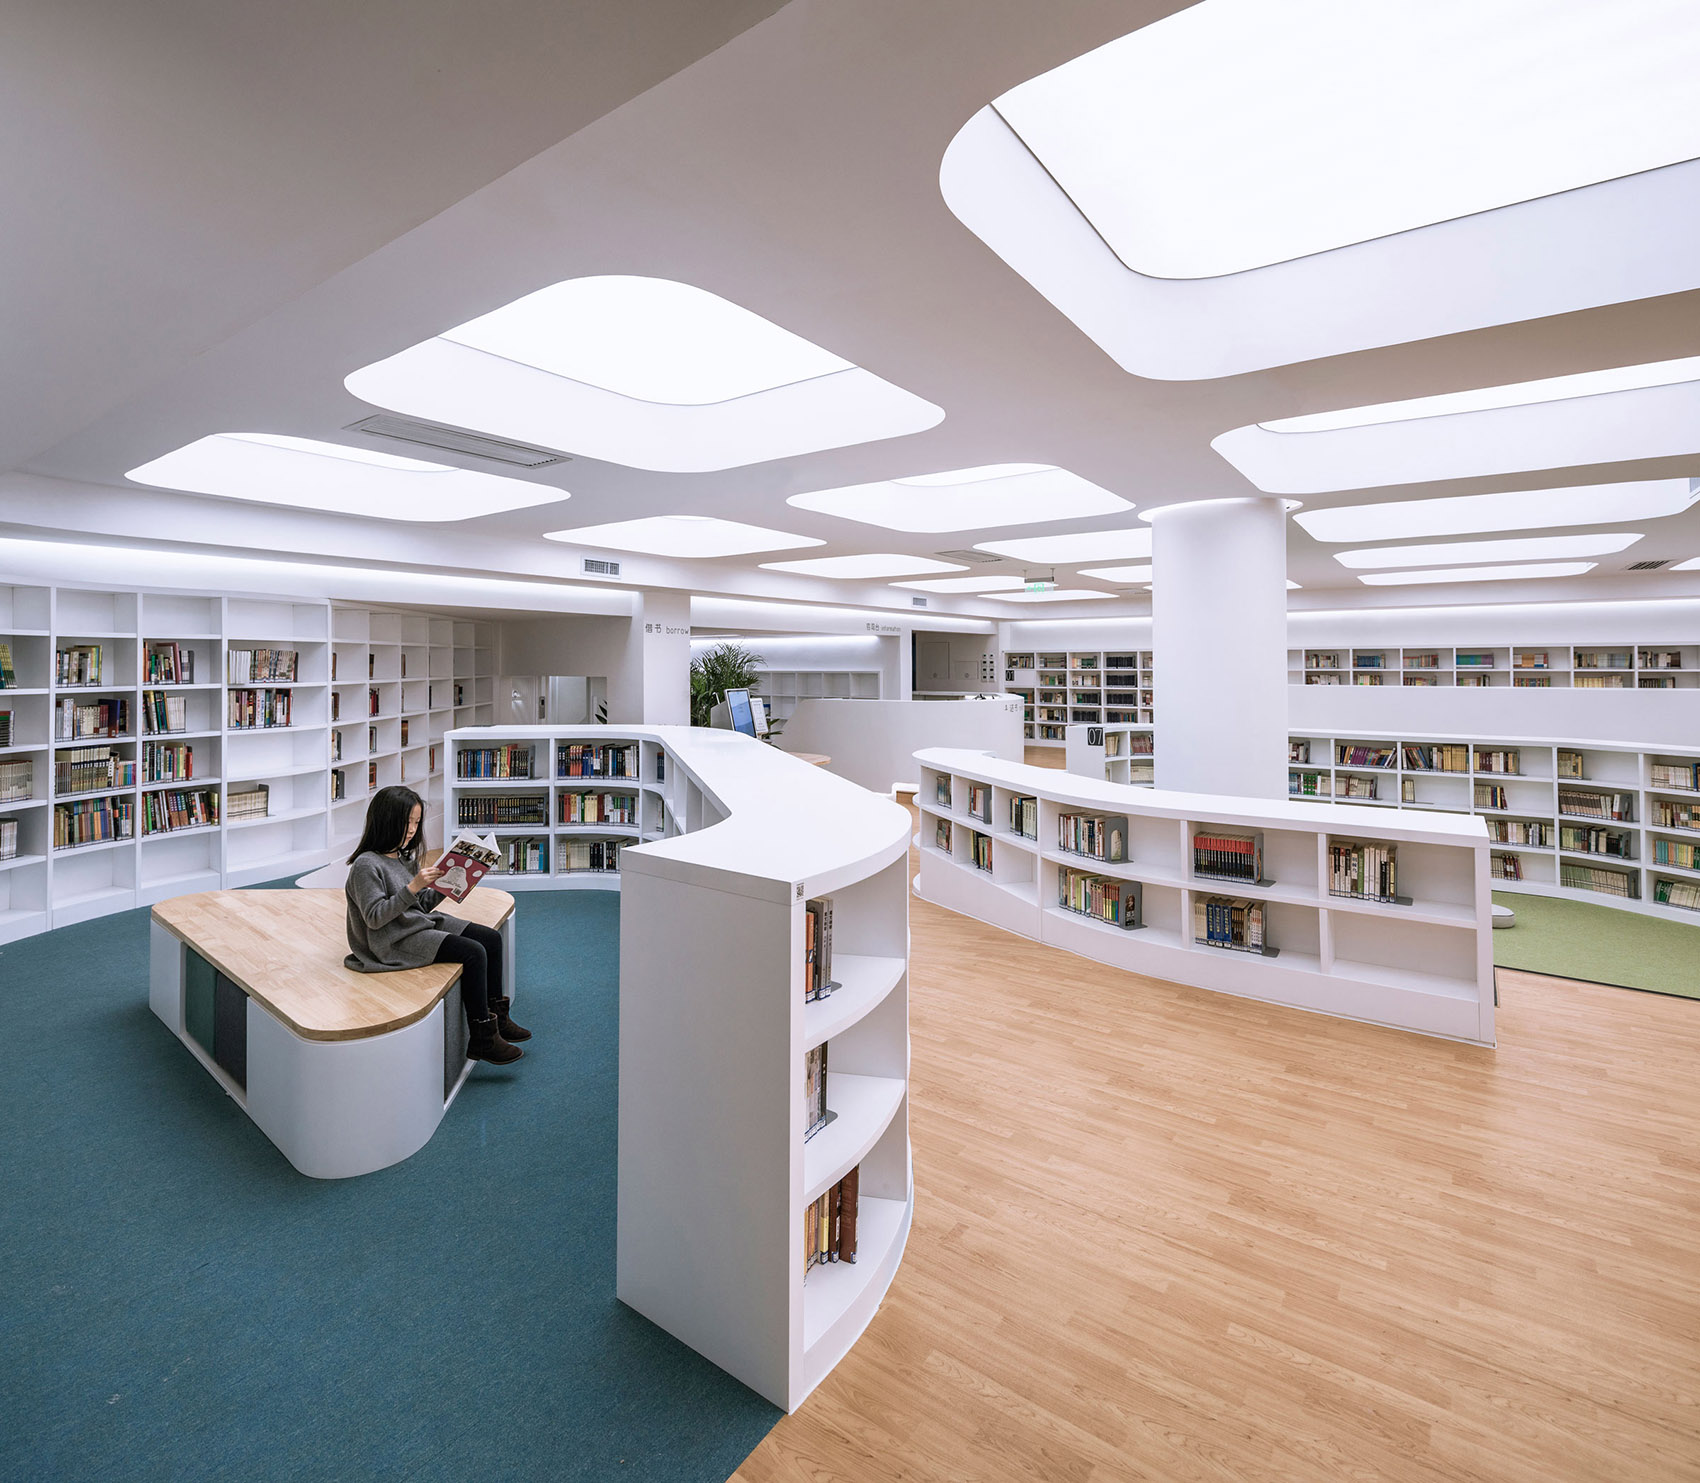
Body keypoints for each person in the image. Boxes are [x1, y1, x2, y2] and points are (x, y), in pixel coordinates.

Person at [344, 785, 529, 1065]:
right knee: (473, 952)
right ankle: (482, 1037)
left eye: (416, 823)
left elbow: (417, 905)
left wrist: (447, 884)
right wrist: (414, 885)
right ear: (386, 820)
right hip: (392, 941)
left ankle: (498, 1019)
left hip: (414, 924)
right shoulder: (366, 866)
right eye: (407, 822)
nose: (411, 829)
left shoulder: (402, 856)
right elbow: (375, 917)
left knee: (490, 938)